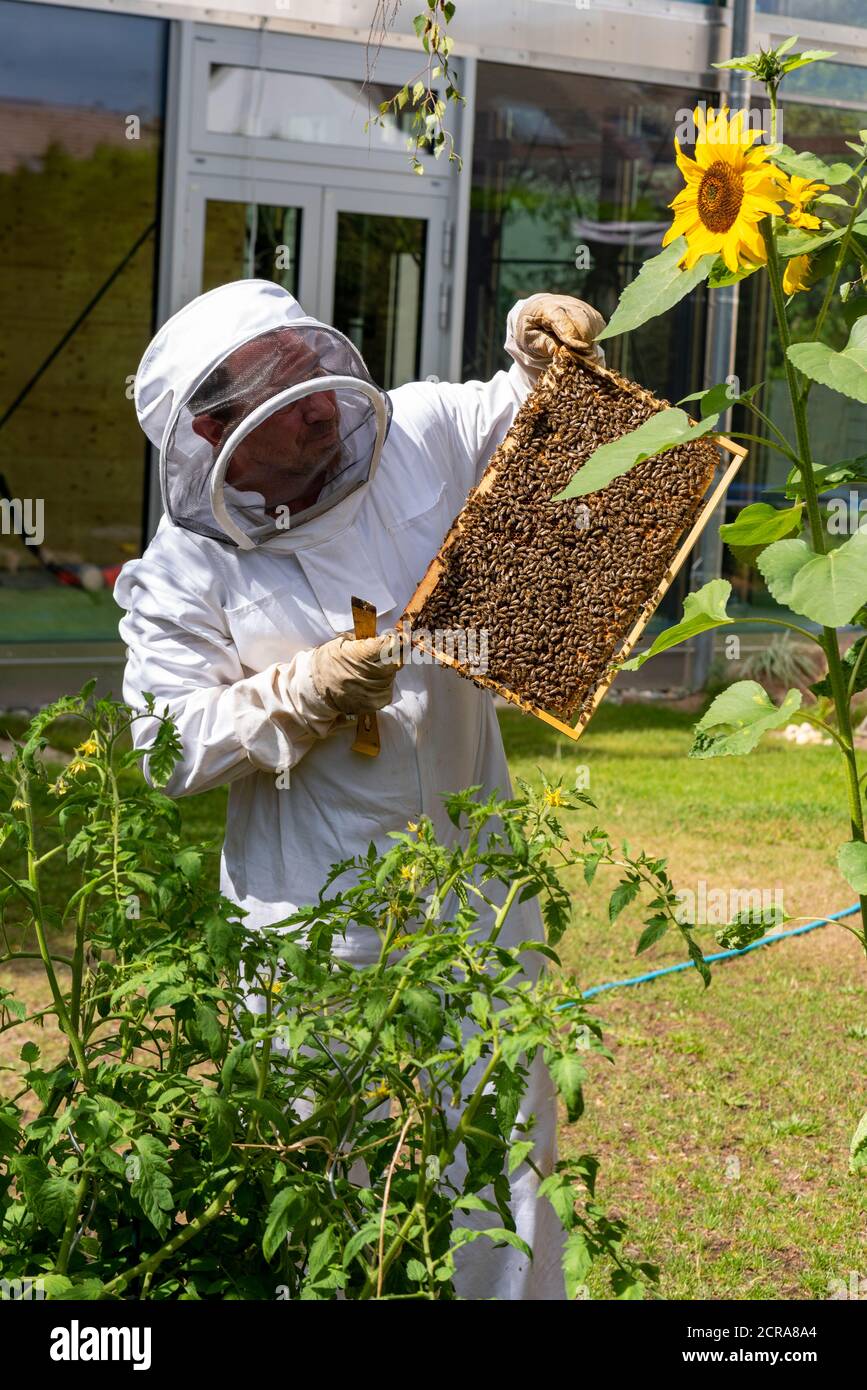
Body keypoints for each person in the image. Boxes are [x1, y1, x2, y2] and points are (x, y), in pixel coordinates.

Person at [115, 278, 605, 1300]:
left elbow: (539, 415)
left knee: (511, 1160)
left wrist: (536, 335)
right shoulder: (183, 569)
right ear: (213, 432)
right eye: (281, 402)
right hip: (320, 928)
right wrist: (298, 691)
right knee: (331, 1187)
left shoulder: (416, 433)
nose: (316, 406)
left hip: (476, 892)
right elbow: (166, 743)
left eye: (309, 374)